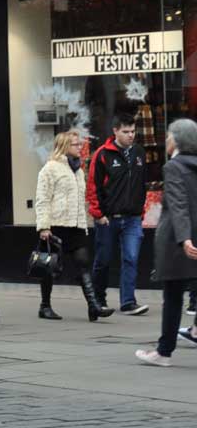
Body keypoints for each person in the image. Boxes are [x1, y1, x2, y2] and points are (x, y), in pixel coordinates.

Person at [136, 118, 197, 365]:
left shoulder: (174, 167)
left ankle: (163, 352)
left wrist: (184, 238)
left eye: (170, 135)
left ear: (178, 140)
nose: (167, 139)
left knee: (172, 296)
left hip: (176, 241)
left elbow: (178, 204)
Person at [33, 129, 105, 321]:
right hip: (56, 225)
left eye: (80, 144)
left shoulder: (78, 170)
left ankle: (93, 306)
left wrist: (85, 222)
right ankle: (45, 306)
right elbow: (42, 199)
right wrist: (44, 226)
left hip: (76, 225)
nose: (80, 147)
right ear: (64, 146)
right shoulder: (50, 168)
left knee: (83, 262)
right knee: (49, 266)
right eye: (76, 144)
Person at [86, 112, 150, 315]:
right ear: (115, 131)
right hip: (108, 218)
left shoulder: (139, 152)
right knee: (103, 260)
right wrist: (98, 214)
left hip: (132, 218)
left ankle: (128, 302)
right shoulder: (102, 154)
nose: (131, 135)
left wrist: (140, 211)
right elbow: (93, 186)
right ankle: (98, 300)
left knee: (131, 258)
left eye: (133, 131)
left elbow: (142, 184)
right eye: (126, 131)